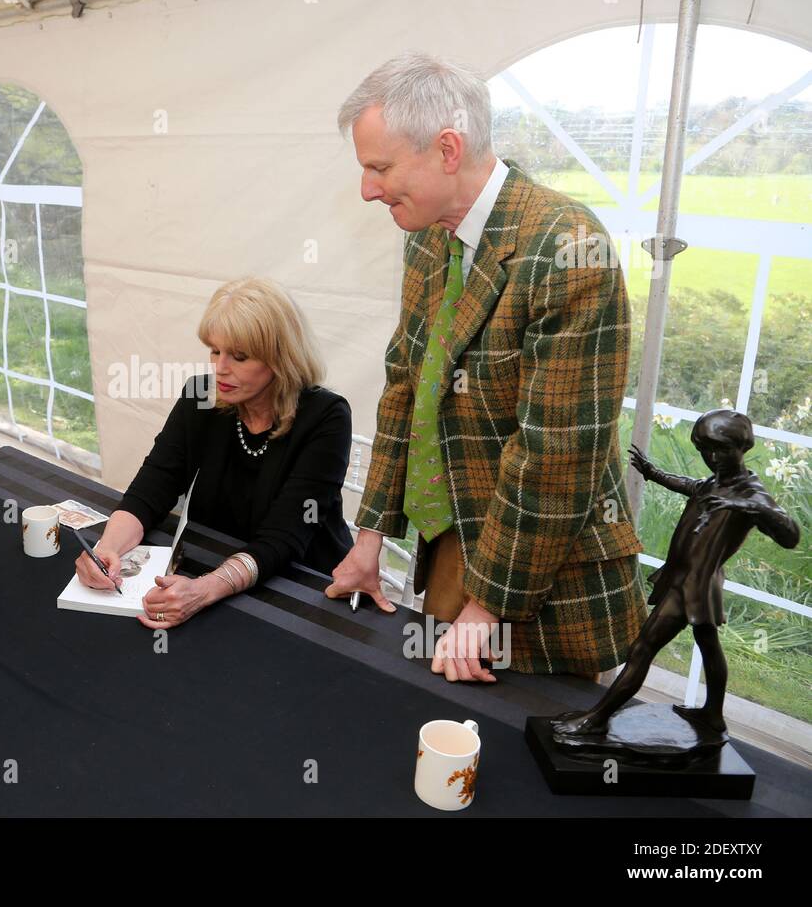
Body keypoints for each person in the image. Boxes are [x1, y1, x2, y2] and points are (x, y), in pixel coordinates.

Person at [325, 53, 648, 682]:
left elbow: (557, 451)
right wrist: (369, 537)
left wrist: (488, 606)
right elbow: (406, 392)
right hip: (453, 543)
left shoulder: (567, 247)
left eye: (379, 168)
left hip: (544, 583)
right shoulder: (426, 236)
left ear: (447, 148)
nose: (367, 189)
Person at [74, 277, 353, 627]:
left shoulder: (325, 416)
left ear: (280, 357)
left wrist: (203, 591)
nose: (220, 368)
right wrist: (107, 549)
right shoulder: (201, 397)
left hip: (303, 584)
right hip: (214, 565)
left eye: (239, 356)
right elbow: (152, 487)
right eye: (214, 350)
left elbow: (285, 538)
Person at [554, 411, 799, 736]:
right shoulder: (714, 483)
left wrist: (749, 508)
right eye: (705, 450)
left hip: (692, 589)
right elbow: (690, 485)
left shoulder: (750, 493)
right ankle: (712, 715)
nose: (712, 458)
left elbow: (790, 534)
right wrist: (653, 473)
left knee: (643, 648)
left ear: (742, 447)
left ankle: (597, 718)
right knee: (709, 645)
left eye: (721, 450)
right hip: (684, 580)